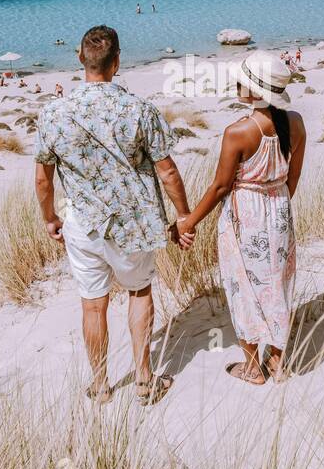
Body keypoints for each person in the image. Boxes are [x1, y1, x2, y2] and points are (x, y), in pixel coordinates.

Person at [34, 24, 194, 406]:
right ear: (117, 61)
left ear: (80, 59)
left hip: (83, 225)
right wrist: (184, 215)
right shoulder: (140, 110)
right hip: (134, 225)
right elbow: (167, 171)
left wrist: (50, 218)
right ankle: (143, 379)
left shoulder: (54, 114)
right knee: (139, 292)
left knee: (93, 305)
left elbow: (43, 180)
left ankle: (102, 385)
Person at [177, 55, 306, 385]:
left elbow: (220, 186)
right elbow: (292, 179)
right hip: (279, 208)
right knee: (278, 282)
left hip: (244, 215)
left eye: (242, 80)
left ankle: (252, 367)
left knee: (244, 287)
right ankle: (276, 361)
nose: (236, 84)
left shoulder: (238, 132)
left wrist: (189, 222)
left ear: (254, 89)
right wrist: (276, 205)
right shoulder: (295, 122)